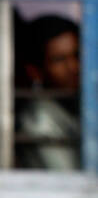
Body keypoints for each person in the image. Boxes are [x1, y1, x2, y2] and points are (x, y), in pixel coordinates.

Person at [15, 15, 81, 171]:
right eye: (59, 60)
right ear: (35, 72)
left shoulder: (77, 106)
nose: (74, 68)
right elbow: (69, 185)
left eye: (77, 55)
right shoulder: (39, 121)